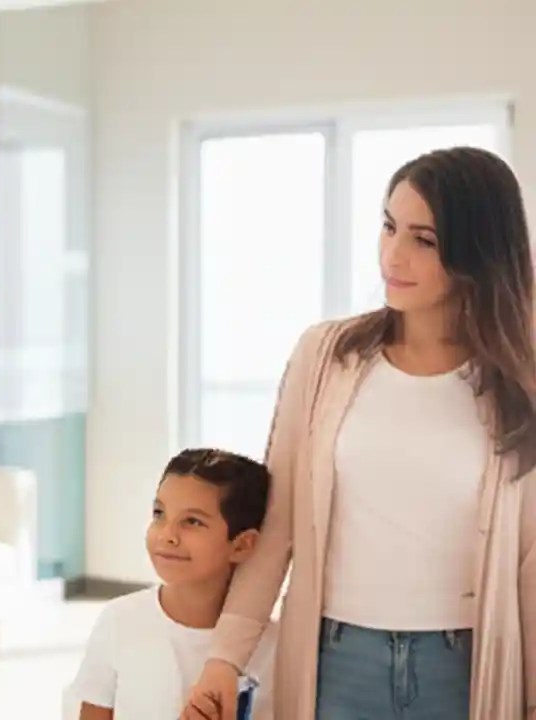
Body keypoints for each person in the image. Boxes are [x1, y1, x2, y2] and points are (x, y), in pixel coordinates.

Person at [183, 146, 536, 719]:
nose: (393, 255)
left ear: (479, 251)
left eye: (424, 239)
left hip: (464, 667)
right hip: (337, 660)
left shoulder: (519, 380)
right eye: (389, 227)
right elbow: (278, 528)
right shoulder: (325, 357)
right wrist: (226, 658)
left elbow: (530, 566)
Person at [69, 448, 277, 719]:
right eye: (159, 513)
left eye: (192, 521)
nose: (167, 535)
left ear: (241, 545)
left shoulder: (273, 646)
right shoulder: (120, 621)